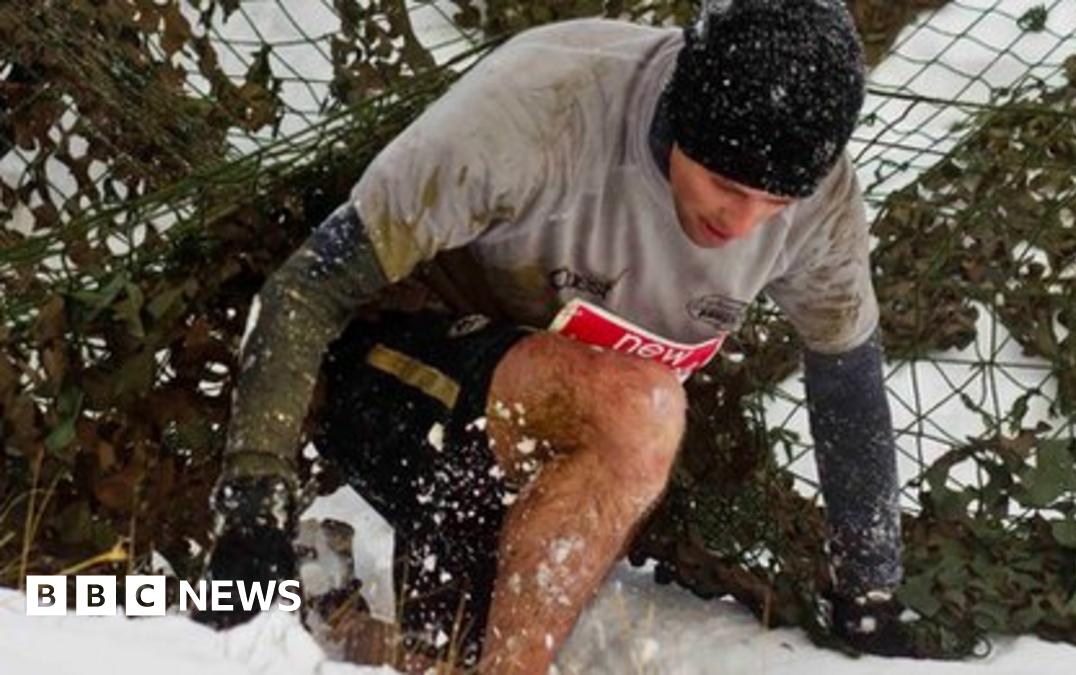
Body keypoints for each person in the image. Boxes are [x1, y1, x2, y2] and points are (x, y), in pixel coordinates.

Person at [196, 0, 921, 670]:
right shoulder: (540, 107)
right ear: (679, 115)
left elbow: (845, 370)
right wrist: (252, 496)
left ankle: (342, 606)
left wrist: (871, 591)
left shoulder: (820, 199)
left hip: (554, 442)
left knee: (444, 651)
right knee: (642, 407)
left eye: (777, 200)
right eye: (726, 185)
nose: (742, 222)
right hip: (395, 380)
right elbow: (306, 287)